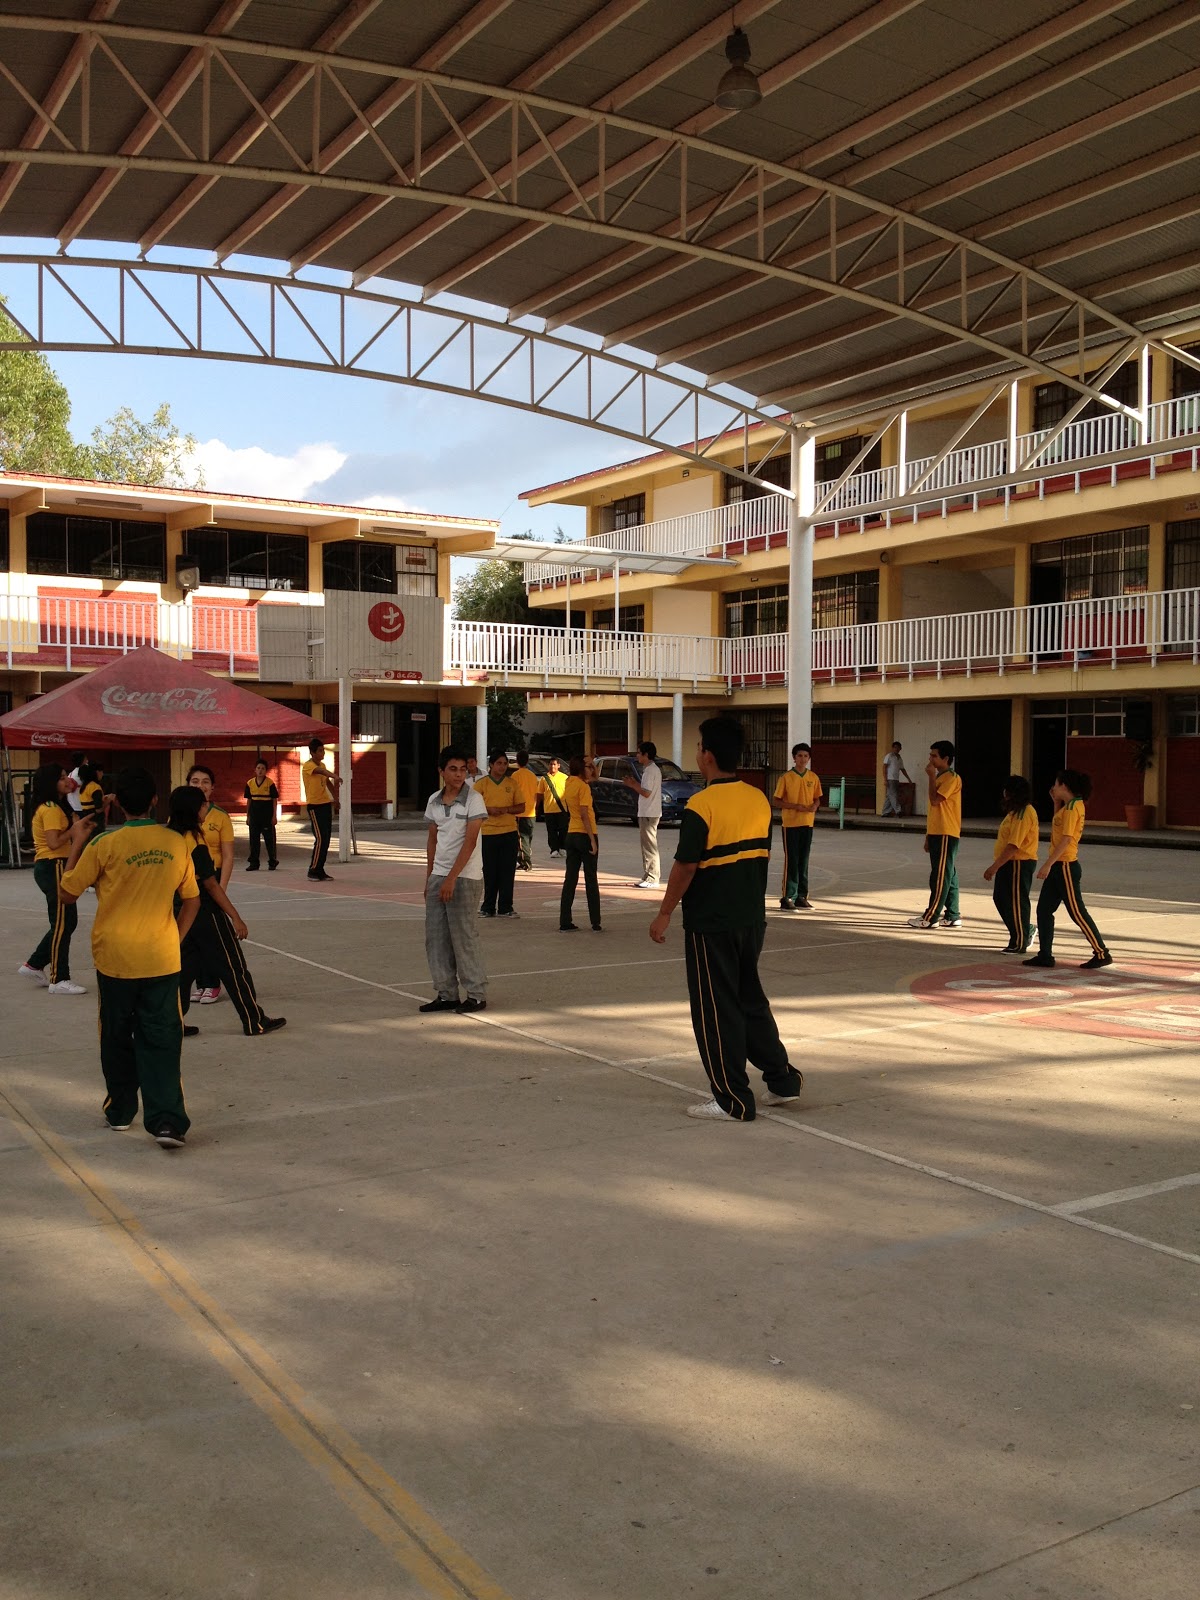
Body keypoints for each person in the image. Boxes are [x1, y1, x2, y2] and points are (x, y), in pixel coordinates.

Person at [650, 716, 803, 1122]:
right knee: (750, 1001)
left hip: (711, 923)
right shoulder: (757, 798)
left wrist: (664, 913)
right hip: (751, 919)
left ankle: (731, 1098)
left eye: (699, 746)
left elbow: (685, 866)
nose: (698, 753)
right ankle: (783, 1079)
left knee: (714, 1009)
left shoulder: (702, 805)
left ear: (708, 756)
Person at [58, 766, 200, 1148]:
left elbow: (67, 893)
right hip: (161, 958)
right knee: (163, 1039)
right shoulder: (175, 843)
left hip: (116, 959)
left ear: (117, 803)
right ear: (156, 800)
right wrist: (176, 937)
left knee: (117, 1036)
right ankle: (167, 1120)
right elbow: (192, 900)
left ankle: (120, 1111)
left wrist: (76, 841)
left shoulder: (104, 844)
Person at [167, 786, 285, 1037]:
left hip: (178, 912)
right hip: (204, 911)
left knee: (183, 970)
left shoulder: (169, 838)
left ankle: (172, 1022)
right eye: (202, 804)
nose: (206, 808)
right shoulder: (195, 842)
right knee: (233, 967)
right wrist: (235, 916)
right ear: (193, 809)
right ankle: (255, 1020)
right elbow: (210, 885)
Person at [421, 746, 489, 1015]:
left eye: (463, 769)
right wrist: (429, 878)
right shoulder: (433, 801)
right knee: (436, 938)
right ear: (441, 772)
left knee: (463, 937)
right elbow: (432, 839)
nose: (460, 774)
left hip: (465, 877)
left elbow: (470, 842)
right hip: (439, 876)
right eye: (453, 769)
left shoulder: (474, 800)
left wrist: (451, 878)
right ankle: (446, 993)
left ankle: (476, 993)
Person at [1025, 769, 1112, 970]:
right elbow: (1059, 826)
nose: (1054, 788)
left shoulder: (1074, 808)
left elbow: (1066, 839)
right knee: (1044, 909)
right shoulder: (1068, 807)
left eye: (1056, 785)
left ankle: (1101, 952)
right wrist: (1056, 803)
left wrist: (1047, 864)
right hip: (1058, 866)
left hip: (1065, 865)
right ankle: (1045, 954)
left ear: (1064, 786)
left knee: (1077, 912)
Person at [18, 762, 92, 995]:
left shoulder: (56, 806)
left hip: (55, 865)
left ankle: (34, 964)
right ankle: (59, 978)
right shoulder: (50, 808)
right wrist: (75, 830)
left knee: (65, 922)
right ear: (51, 783)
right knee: (62, 923)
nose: (66, 781)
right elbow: (53, 842)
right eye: (61, 778)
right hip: (53, 865)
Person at [187, 764, 233, 1004]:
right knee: (192, 935)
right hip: (186, 880)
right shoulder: (180, 815)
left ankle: (213, 983)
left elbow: (227, 856)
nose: (200, 786)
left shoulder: (221, 817)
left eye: (205, 782)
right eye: (195, 781)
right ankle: (200, 983)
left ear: (212, 788)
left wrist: (221, 887)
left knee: (212, 936)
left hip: (211, 879)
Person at [907, 740, 962, 930]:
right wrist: (928, 835)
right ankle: (953, 914)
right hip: (938, 831)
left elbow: (935, 800)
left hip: (946, 831)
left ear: (945, 758)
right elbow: (934, 811)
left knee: (940, 876)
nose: (930, 759)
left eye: (934, 756)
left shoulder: (951, 778)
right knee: (949, 874)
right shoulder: (941, 778)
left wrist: (930, 777)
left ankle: (931, 916)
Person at [983, 775, 1039, 953]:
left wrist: (994, 866)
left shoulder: (1024, 813)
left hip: (1019, 863)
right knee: (1000, 898)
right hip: (1009, 863)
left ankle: (1019, 940)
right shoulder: (1014, 812)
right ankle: (1022, 930)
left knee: (1016, 901)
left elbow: (1014, 845)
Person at [773, 742, 822, 910]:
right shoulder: (786, 778)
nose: (803, 759)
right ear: (794, 758)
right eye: (800, 756)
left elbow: (817, 797)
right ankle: (787, 897)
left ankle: (802, 895)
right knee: (792, 860)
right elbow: (776, 800)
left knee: (804, 860)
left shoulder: (813, 777)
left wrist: (815, 806)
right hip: (791, 824)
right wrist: (796, 806)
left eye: (806, 756)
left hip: (807, 823)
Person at [474, 750, 523, 917]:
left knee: (507, 871)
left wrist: (506, 809)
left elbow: (521, 806)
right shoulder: (481, 784)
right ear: (491, 765)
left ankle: (506, 907)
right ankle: (488, 907)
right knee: (490, 871)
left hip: (509, 832)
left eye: (505, 763)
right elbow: (473, 807)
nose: (502, 766)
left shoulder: (512, 783)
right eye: (499, 763)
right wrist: (489, 810)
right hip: (488, 833)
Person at [559, 755, 601, 932]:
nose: (590, 770)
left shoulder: (569, 783)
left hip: (571, 833)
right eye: (588, 767)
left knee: (571, 878)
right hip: (585, 833)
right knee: (591, 878)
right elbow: (584, 814)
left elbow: (594, 777)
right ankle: (595, 921)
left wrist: (590, 764)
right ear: (582, 769)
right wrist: (592, 839)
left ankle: (565, 920)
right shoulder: (583, 787)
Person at [623, 740, 663, 888]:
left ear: (646, 755)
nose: (637, 756)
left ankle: (652, 877)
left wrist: (632, 785)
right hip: (648, 812)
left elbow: (646, 792)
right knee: (646, 845)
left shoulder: (651, 770)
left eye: (639, 753)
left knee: (649, 846)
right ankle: (647, 875)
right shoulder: (650, 770)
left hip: (649, 813)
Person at [302, 737, 341, 882]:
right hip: (314, 806)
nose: (323, 752)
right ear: (312, 753)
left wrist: (335, 799)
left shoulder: (323, 765)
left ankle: (320, 869)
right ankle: (312, 870)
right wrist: (333, 775)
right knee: (320, 838)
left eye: (323, 750)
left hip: (325, 804)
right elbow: (320, 772)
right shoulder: (308, 765)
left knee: (326, 839)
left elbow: (327, 782)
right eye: (319, 750)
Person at [243, 758, 279, 871]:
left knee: (270, 840)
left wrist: (274, 816)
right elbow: (249, 801)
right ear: (255, 770)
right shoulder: (250, 783)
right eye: (258, 768)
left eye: (263, 768)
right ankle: (254, 863)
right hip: (254, 815)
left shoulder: (270, 783)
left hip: (267, 816)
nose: (260, 770)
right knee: (253, 840)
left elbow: (274, 800)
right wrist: (247, 816)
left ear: (266, 771)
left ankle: (272, 861)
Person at [511, 750, 540, 872]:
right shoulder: (533, 776)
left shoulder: (515, 776)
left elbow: (512, 794)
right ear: (527, 761)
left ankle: (526, 862)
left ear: (517, 761)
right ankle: (523, 860)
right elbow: (537, 794)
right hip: (531, 811)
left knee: (522, 839)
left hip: (520, 812)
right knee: (527, 838)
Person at [537, 755, 569, 857]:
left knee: (564, 830)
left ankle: (562, 847)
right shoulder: (544, 779)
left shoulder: (565, 778)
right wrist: (537, 807)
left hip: (562, 809)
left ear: (558, 765)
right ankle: (554, 849)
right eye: (550, 764)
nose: (552, 766)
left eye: (554, 764)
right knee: (551, 831)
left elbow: (569, 793)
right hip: (549, 809)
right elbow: (540, 794)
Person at [881, 741, 910, 817]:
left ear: (900, 748)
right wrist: (885, 779)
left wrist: (908, 779)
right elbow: (884, 767)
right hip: (890, 778)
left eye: (898, 748)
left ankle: (885, 812)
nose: (897, 749)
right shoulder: (889, 756)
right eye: (895, 747)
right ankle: (898, 811)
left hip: (896, 779)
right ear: (893, 748)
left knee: (889, 796)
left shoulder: (899, 758)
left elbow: (902, 769)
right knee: (893, 795)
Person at [64, 750, 87, 816]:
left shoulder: (70, 774)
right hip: (84, 807)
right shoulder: (86, 773)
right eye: (86, 759)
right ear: (83, 760)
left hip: (73, 806)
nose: (87, 761)